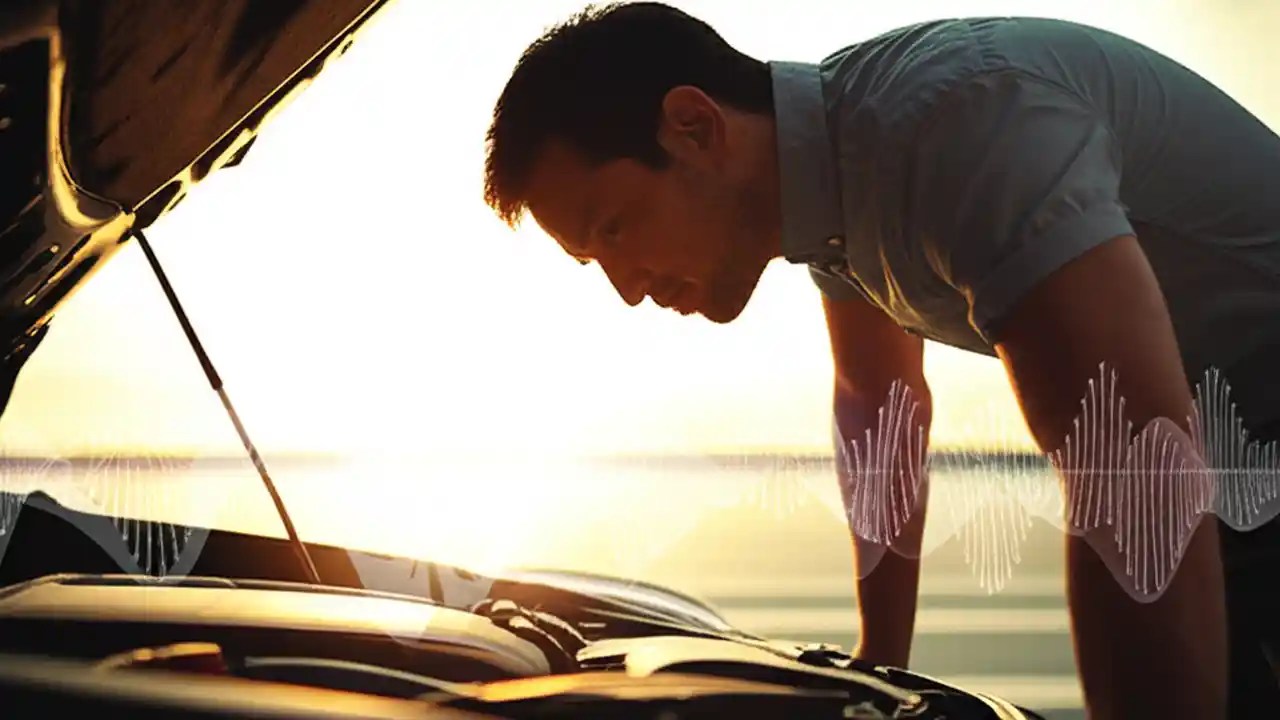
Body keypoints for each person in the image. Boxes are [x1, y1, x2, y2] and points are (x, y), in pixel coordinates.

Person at [480, 3, 1280, 718]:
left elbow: (1131, 453)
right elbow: (879, 404)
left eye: (615, 227)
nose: (626, 292)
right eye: (594, 261)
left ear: (695, 127)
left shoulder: (961, 130)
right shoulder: (833, 176)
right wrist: (880, 670)